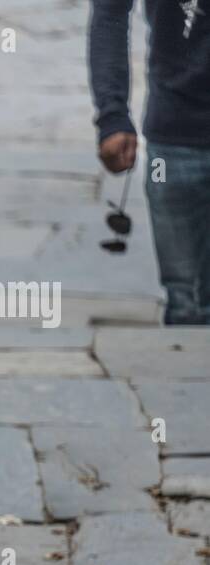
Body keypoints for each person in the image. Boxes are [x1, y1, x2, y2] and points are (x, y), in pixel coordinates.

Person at [89, 0, 210, 325]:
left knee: (189, 302)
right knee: (187, 303)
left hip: (172, 136)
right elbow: (110, 13)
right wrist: (112, 115)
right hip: (174, 139)